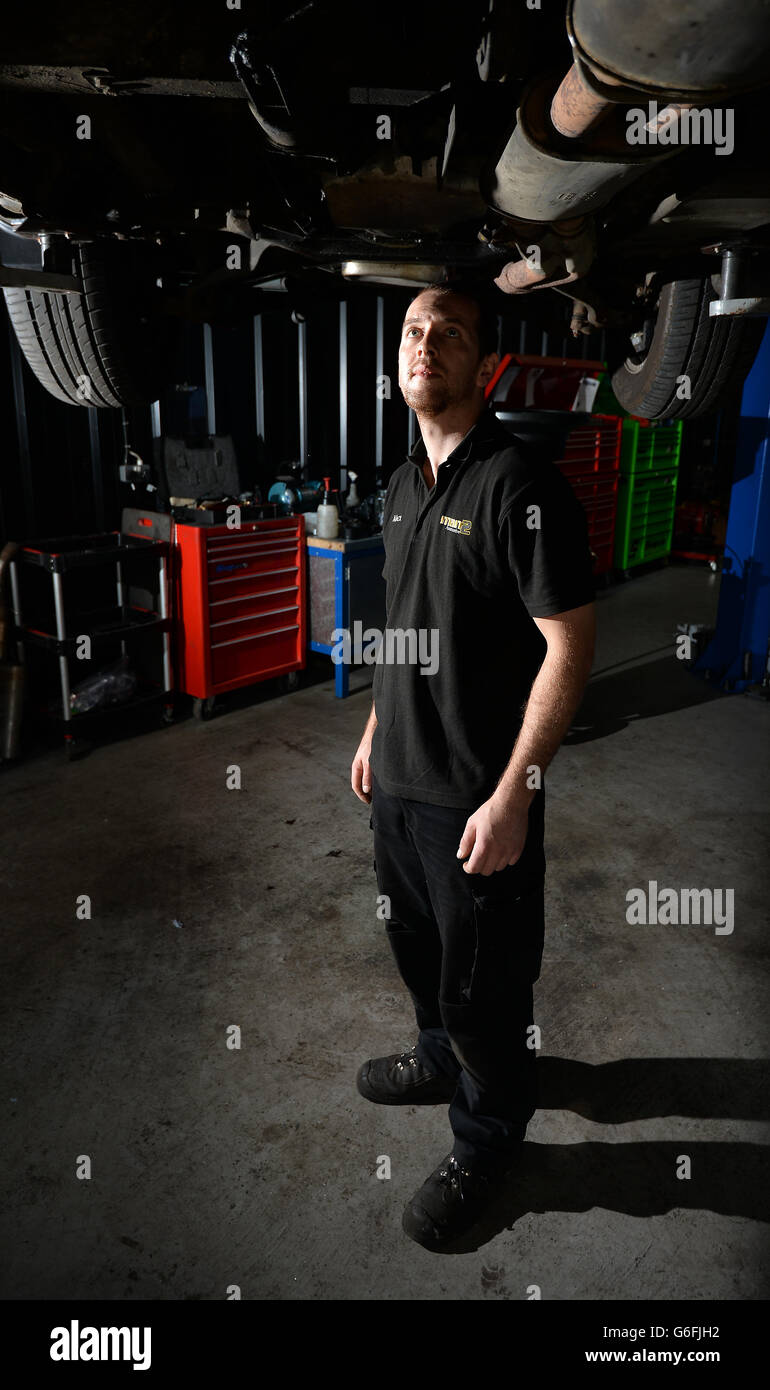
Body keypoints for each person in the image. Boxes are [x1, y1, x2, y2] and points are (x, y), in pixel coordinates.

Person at [351, 280, 596, 1250]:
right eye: (412, 331)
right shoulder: (403, 484)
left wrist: (512, 795)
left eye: (447, 333)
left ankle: (489, 1137)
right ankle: (434, 1057)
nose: (425, 345)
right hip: (397, 790)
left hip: (473, 805)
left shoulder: (520, 487)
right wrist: (373, 731)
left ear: (479, 363)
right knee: (418, 959)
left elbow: (568, 650)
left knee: (484, 992)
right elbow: (399, 623)